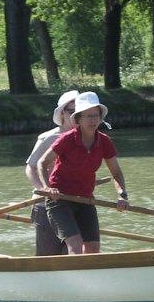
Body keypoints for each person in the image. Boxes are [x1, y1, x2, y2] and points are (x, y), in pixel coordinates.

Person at [36, 92, 128, 255]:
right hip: (60, 200)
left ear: (100, 118)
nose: (92, 120)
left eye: (95, 115)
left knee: (93, 249)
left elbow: (116, 172)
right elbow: (41, 163)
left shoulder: (105, 141)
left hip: (85, 200)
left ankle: (93, 278)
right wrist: (47, 187)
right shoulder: (67, 139)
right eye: (87, 116)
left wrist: (122, 195)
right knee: (75, 246)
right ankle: (77, 278)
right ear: (78, 119)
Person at [25, 90, 79, 256]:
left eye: (80, 113)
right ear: (62, 113)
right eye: (71, 111)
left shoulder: (86, 138)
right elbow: (31, 167)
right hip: (47, 204)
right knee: (48, 255)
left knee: (76, 250)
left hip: (76, 203)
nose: (76, 116)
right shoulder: (48, 138)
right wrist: (44, 189)